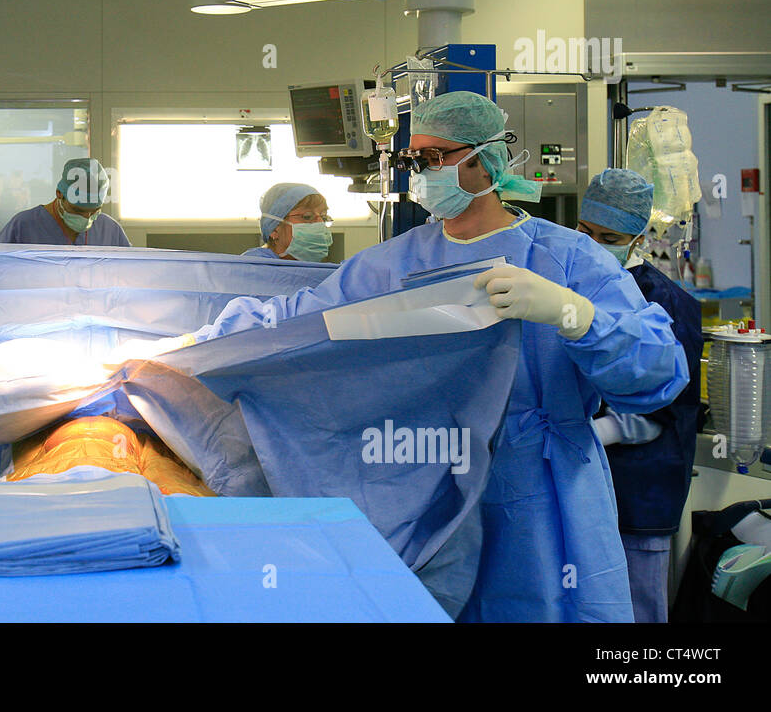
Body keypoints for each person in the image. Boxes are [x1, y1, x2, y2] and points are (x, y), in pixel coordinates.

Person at [110, 92, 688, 622]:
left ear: (485, 162)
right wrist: (192, 345)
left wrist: (573, 314)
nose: (425, 173)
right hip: (424, 482)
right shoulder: (391, 264)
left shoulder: (568, 259)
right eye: (416, 160)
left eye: (438, 156)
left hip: (540, 490)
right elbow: (295, 324)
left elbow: (659, 374)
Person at [578, 167, 703, 623]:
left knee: (635, 613)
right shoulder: (567, 286)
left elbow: (665, 402)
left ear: (634, 239)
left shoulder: (666, 303)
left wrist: (597, 429)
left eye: (606, 235)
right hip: (581, 489)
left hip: (639, 494)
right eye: (583, 231)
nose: (591, 245)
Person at [0, 158, 130, 246]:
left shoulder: (110, 230)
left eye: (94, 211)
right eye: (78, 211)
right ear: (59, 194)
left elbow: (128, 272)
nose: (86, 218)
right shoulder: (23, 226)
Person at [242, 183, 333, 261]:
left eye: (324, 217)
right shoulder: (251, 271)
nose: (320, 223)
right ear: (274, 229)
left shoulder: (319, 273)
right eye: (307, 217)